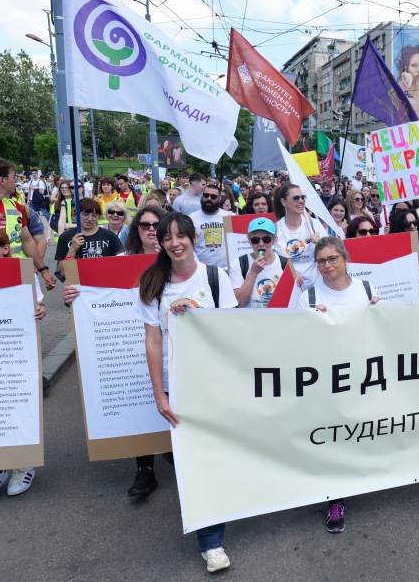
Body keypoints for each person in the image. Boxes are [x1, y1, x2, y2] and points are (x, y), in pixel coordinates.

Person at [137, 212, 237, 573]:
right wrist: (159, 394)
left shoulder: (215, 277)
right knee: (198, 463)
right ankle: (211, 543)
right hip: (177, 386)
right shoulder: (152, 283)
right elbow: (152, 340)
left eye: (181, 236)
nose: (174, 243)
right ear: (160, 243)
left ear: (194, 238)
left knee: (219, 457)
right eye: (167, 237)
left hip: (214, 383)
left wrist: (192, 313)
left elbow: (231, 330)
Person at [61, 205, 167, 497]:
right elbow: (93, 292)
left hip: (170, 343)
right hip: (132, 343)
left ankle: (172, 449)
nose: (150, 230)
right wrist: (74, 295)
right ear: (137, 230)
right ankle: (145, 468)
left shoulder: (176, 258)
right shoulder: (121, 260)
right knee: (140, 400)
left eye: (156, 225)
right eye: (144, 225)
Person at [299, 237, 380, 533]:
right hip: (327, 379)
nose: (327, 266)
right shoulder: (307, 296)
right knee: (332, 438)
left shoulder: (367, 290)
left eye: (332, 259)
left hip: (363, 375)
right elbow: (296, 342)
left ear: (345, 258)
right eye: (321, 261)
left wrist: (380, 312)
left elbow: (383, 332)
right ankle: (335, 498)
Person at [0, 226, 45, 509]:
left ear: (4, 248)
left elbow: (37, 305)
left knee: (15, 406)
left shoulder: (22, 273)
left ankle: (22, 465)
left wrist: (41, 310)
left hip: (13, 354)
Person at [0, 157, 55, 289]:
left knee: (34, 310)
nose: (16, 181)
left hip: (18, 276)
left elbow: (27, 241)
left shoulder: (15, 206)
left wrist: (43, 269)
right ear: (2, 180)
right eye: (13, 177)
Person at [230, 217, 289, 308]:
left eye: (266, 239)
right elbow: (238, 303)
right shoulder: (238, 264)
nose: (261, 244)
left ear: (274, 240)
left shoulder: (285, 264)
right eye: (255, 240)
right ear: (249, 240)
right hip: (249, 321)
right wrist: (253, 273)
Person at [274, 183, 325, 285]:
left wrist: (320, 242)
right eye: (296, 198)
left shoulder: (314, 224)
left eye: (303, 197)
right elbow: (269, 260)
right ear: (284, 202)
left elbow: (331, 250)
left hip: (316, 287)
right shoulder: (275, 229)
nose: (301, 201)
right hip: (288, 288)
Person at [53, 199, 123, 266]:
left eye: (94, 215)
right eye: (85, 214)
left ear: (98, 217)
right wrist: (72, 249)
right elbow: (63, 272)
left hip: (104, 277)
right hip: (77, 277)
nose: (90, 219)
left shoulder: (110, 236)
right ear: (76, 215)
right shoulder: (65, 237)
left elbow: (122, 263)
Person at [189, 183, 232, 271]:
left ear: (219, 198)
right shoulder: (191, 219)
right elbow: (189, 246)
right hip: (201, 270)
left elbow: (231, 241)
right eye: (206, 195)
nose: (209, 199)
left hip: (224, 269)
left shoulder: (227, 217)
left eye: (213, 196)